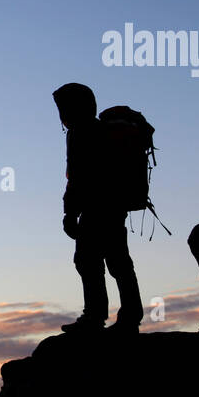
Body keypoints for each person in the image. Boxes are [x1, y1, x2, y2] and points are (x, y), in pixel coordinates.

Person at [53, 83, 142, 334]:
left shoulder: (81, 132)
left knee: (89, 260)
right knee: (118, 261)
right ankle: (129, 317)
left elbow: (77, 177)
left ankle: (95, 316)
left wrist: (70, 213)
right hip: (115, 205)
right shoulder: (104, 130)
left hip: (96, 207)